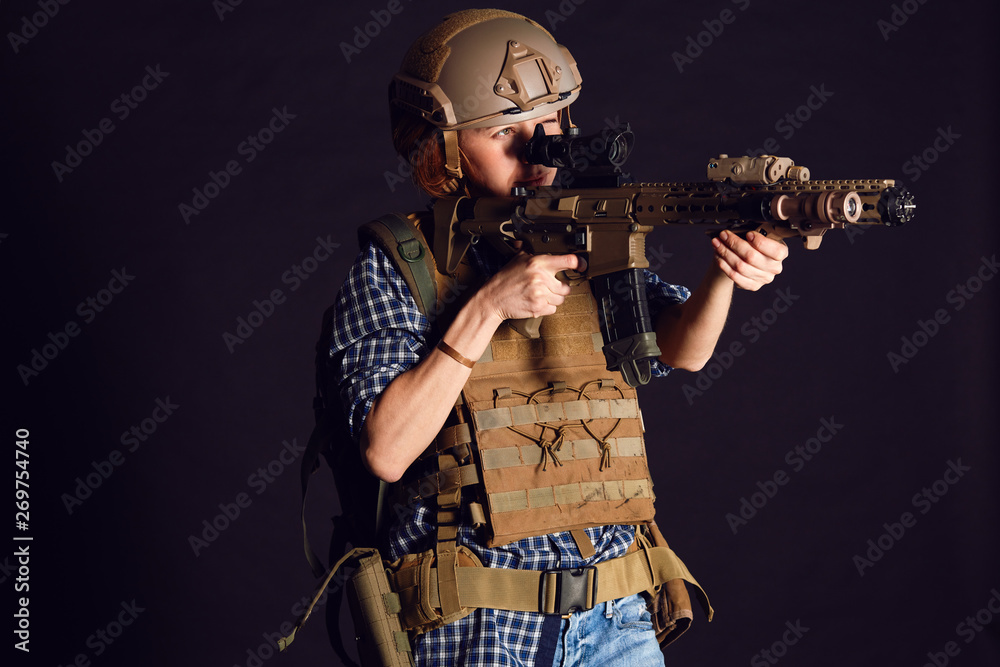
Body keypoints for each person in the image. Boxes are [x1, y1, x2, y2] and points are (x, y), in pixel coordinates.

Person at [328, 8, 787, 666]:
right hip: (483, 624)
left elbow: (680, 350)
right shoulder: (400, 261)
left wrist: (725, 273)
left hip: (616, 612)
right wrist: (488, 305)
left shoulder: (582, 234)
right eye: (503, 130)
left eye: (549, 123)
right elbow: (387, 451)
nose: (537, 149)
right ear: (442, 145)